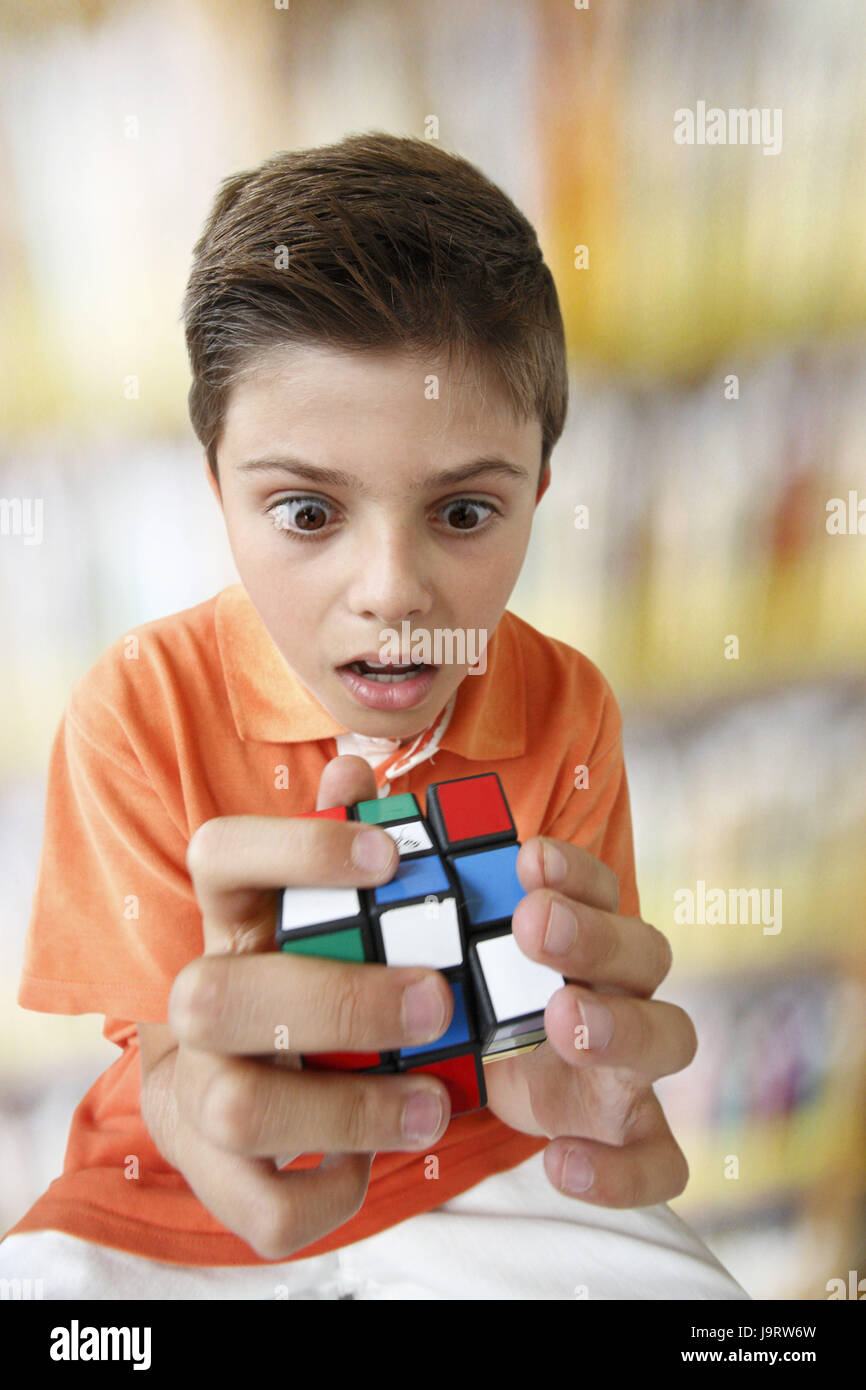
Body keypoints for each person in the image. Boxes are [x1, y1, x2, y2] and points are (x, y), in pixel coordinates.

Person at [0, 132, 748, 1300]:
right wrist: (191, 1089)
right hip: (167, 1201)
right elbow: (161, 1061)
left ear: (538, 494)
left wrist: (586, 1076)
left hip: (479, 1173)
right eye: (306, 510)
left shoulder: (567, 705)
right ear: (214, 488)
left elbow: (552, 1028)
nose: (391, 590)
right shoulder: (133, 707)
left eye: (462, 512)